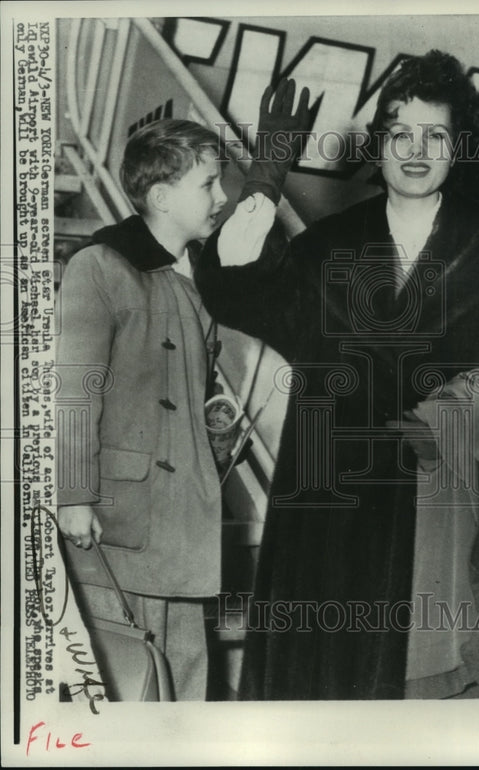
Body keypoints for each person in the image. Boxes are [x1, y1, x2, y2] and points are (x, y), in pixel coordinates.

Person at [195, 52, 479, 699]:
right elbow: (233, 290)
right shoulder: (325, 249)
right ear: (378, 145)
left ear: (459, 149)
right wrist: (265, 179)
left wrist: (470, 409)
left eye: (436, 135)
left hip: (438, 524)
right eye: (400, 132)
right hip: (325, 520)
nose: (415, 149)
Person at [56, 119, 227, 700]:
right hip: (119, 522)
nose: (220, 198)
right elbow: (74, 392)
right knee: (132, 683)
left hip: (183, 519)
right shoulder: (99, 268)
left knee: (185, 682)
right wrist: (73, 496)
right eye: (209, 184)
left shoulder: (194, 278)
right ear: (161, 197)